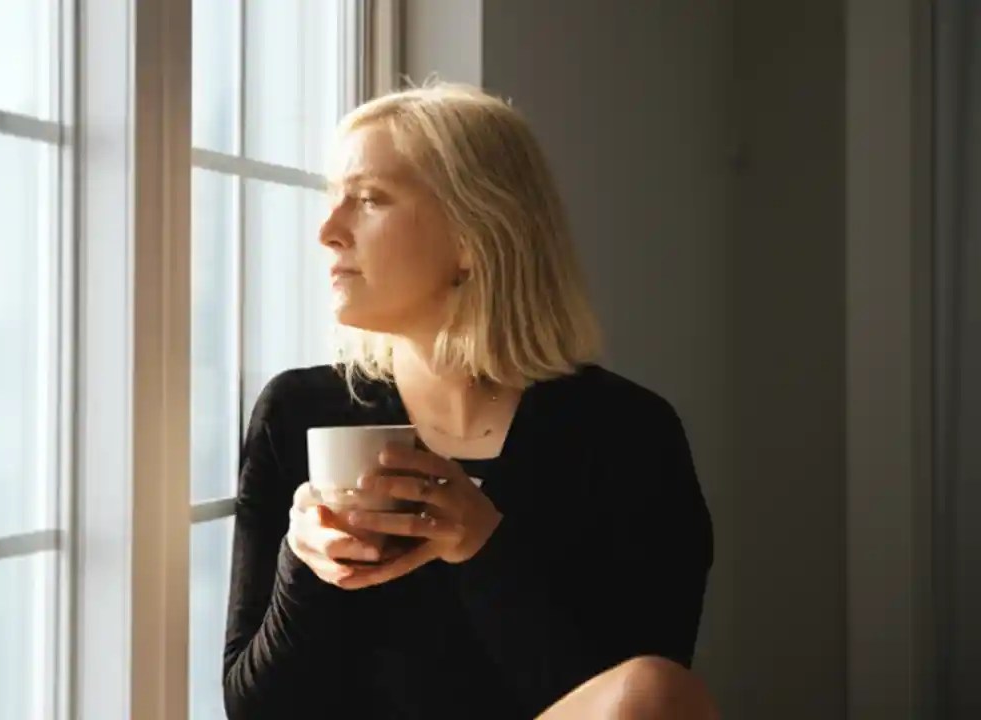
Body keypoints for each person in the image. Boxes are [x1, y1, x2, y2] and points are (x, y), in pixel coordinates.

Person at [222, 83, 717, 720]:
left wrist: (481, 548)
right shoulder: (298, 412)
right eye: (332, 199)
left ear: (470, 237)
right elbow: (252, 708)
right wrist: (303, 564)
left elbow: (637, 705)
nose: (327, 231)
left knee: (656, 686)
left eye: (368, 199)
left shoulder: (626, 434)